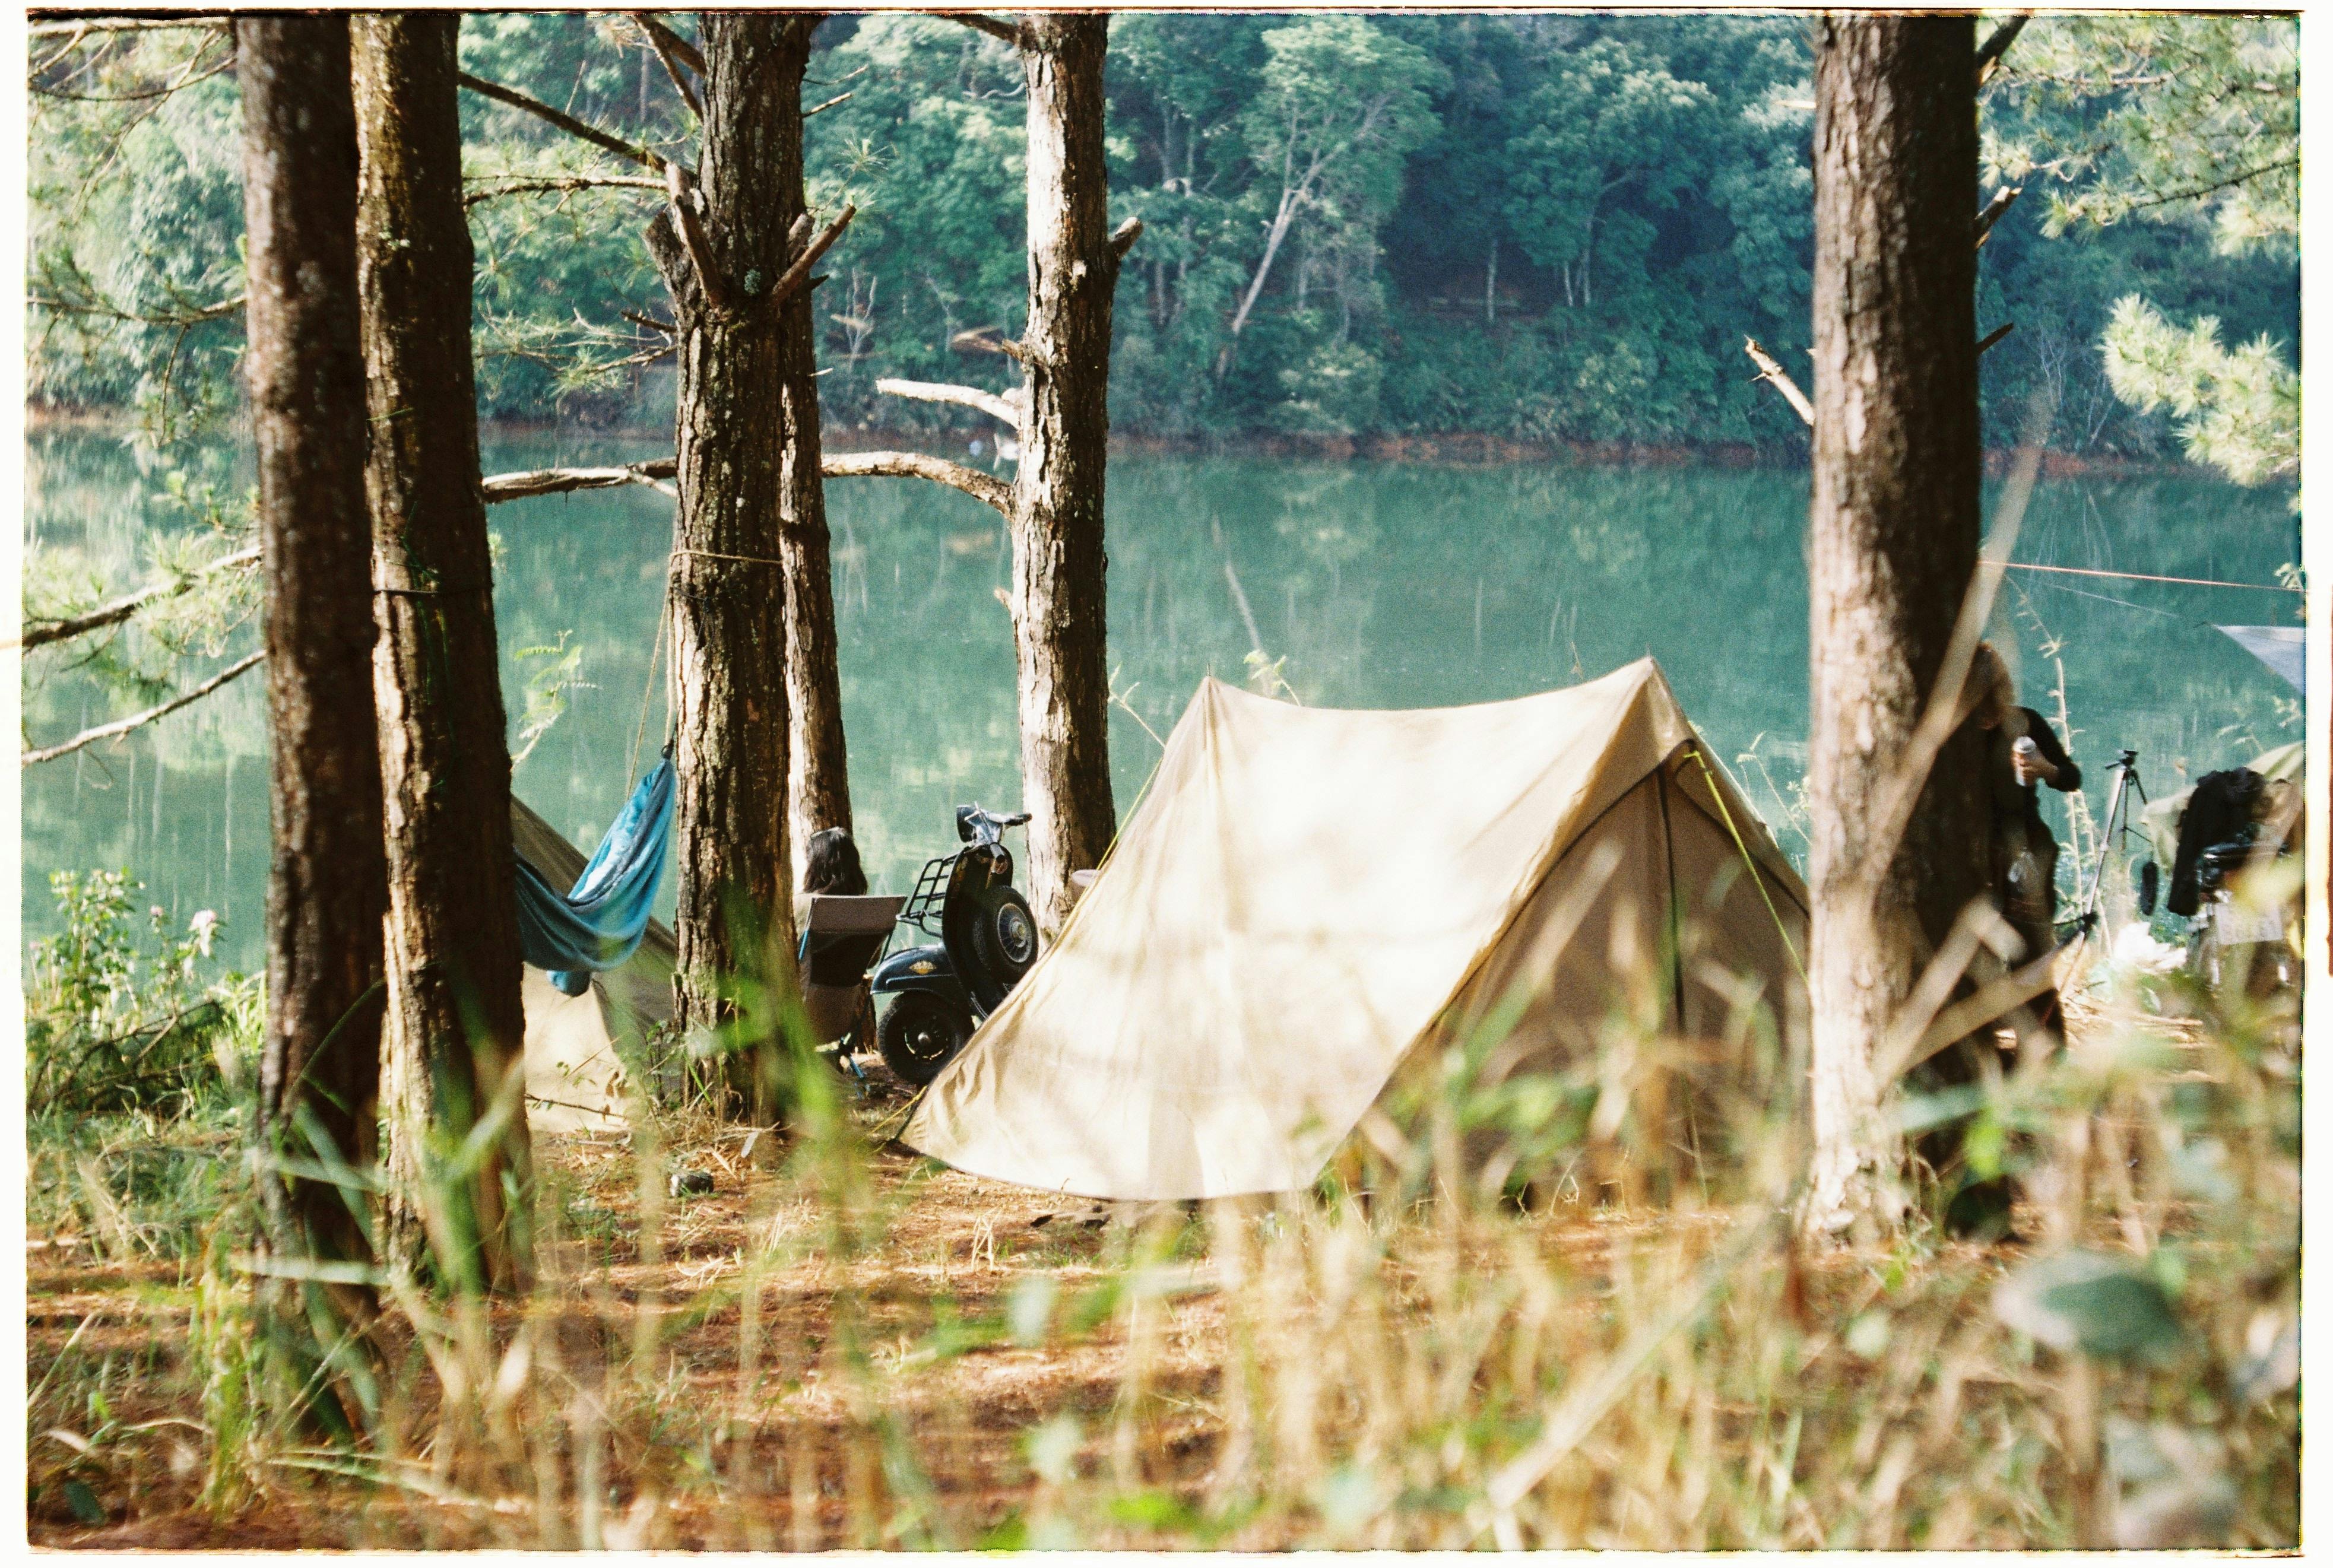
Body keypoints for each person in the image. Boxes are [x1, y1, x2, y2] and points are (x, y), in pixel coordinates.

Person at [1963, 642, 2082, 1020]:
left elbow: (2071, 778)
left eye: (1991, 704)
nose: (1986, 716)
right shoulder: (1954, 730)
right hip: (1971, 855)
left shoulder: (2024, 723)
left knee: (2031, 956)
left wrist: (2044, 768)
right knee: (1971, 954)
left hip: (2026, 850)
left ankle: (2046, 1050)